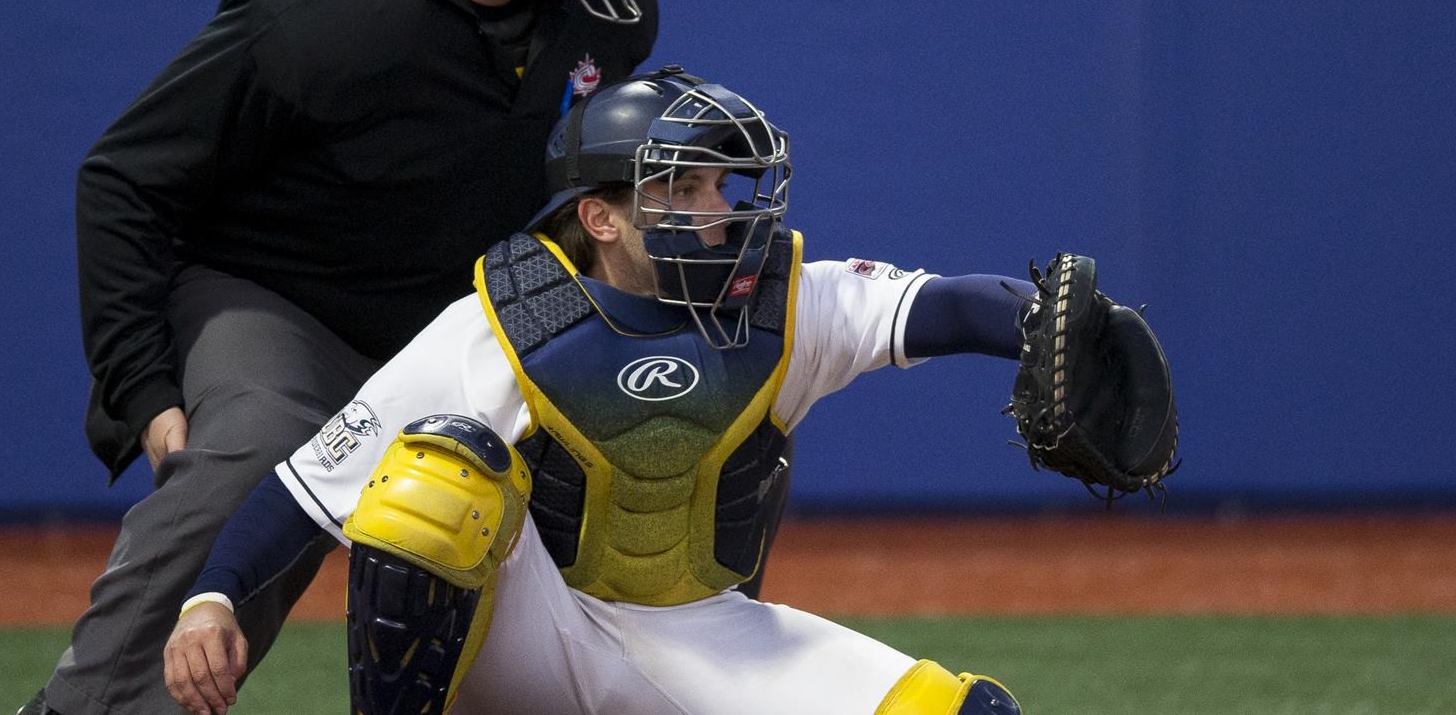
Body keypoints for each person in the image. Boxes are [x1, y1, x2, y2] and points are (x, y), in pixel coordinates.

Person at [20, 0, 662, 715]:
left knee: (636, 424)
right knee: (270, 442)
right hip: (280, 296)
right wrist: (144, 389)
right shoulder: (319, 12)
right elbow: (123, 180)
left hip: (461, 300)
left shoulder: (610, 2)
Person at [162, 68, 1041, 715]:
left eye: (721, 186)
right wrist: (213, 598)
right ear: (600, 216)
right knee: (435, 483)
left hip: (702, 630)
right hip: (528, 640)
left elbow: (950, 307)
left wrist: (1056, 323)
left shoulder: (781, 301)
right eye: (682, 186)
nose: (718, 208)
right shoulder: (501, 327)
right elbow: (309, 486)